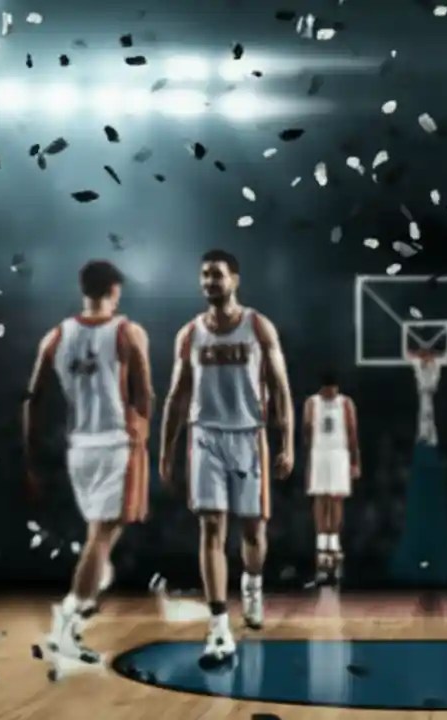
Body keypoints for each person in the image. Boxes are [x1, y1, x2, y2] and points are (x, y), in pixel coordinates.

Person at [159, 249, 295, 664]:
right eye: (204, 276)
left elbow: (281, 386)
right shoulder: (190, 334)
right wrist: (166, 451)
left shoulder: (257, 327)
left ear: (234, 280)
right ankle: (219, 627)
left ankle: (252, 585)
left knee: (252, 532)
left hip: (249, 436)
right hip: (205, 436)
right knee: (211, 529)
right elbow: (177, 396)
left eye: (217, 275)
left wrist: (286, 441)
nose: (209, 282)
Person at [22, 259, 153, 662]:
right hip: (116, 442)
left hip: (78, 446)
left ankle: (96, 579)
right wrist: (143, 433)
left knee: (105, 533)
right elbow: (145, 392)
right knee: (100, 537)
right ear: (114, 290)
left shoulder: (55, 337)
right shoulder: (128, 332)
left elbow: (33, 398)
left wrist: (30, 456)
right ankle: (68, 621)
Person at [302, 371, 361, 585]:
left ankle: (334, 544)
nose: (330, 394)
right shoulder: (312, 402)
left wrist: (355, 462)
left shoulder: (345, 403)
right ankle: (322, 543)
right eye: (327, 391)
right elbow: (307, 432)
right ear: (322, 388)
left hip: (339, 453)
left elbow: (352, 433)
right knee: (320, 499)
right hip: (320, 453)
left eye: (333, 390)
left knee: (335, 499)